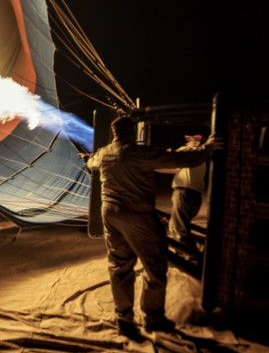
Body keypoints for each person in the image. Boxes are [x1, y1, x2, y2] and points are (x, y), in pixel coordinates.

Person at [87, 116, 221, 334]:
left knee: (119, 266)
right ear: (131, 133)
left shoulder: (103, 153)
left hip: (110, 215)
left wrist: (91, 157)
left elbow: (90, 162)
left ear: (114, 133)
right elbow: (176, 158)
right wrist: (207, 150)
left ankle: (124, 318)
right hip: (137, 215)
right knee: (154, 267)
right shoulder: (139, 153)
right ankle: (153, 319)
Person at [168, 134, 208, 250]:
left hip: (184, 193)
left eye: (190, 141)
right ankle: (186, 253)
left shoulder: (191, 152)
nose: (187, 143)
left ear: (197, 143)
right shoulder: (196, 159)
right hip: (192, 195)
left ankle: (192, 256)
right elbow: (173, 168)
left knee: (179, 230)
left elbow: (170, 155)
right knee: (176, 227)